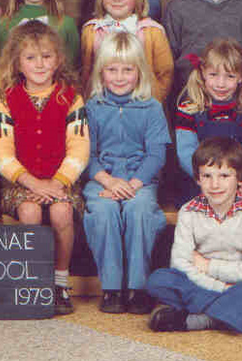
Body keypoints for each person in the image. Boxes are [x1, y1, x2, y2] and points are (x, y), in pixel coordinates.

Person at [0, 21, 90, 315]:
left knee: (60, 211)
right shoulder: (6, 99)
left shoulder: (70, 97)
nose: (39, 64)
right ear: (18, 63)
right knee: (31, 212)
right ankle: (31, 281)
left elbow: (80, 147)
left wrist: (58, 182)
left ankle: (60, 282)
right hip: (20, 184)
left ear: (58, 59)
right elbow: (1, 153)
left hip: (62, 183)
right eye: (30, 58)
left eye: (46, 56)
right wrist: (32, 183)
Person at [145, 138, 242, 335]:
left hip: (239, 284)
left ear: (240, 179)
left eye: (225, 175)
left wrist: (209, 266)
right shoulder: (189, 211)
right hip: (204, 284)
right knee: (158, 280)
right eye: (207, 176)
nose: (215, 184)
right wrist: (223, 289)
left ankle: (201, 320)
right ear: (198, 179)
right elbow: (180, 264)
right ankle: (236, 314)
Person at [82, 32, 169, 315]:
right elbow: (87, 155)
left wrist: (132, 184)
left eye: (128, 70)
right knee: (104, 211)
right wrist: (108, 181)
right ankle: (111, 289)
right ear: (101, 72)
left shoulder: (152, 108)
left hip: (139, 180)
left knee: (140, 209)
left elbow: (156, 154)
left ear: (139, 72)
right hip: (102, 180)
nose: (119, 77)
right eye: (112, 69)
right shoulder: (92, 108)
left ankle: (137, 287)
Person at [171, 38, 242, 207]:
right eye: (213, 75)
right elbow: (186, 153)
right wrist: (208, 182)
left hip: (237, 183)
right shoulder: (189, 109)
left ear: (241, 77)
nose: (221, 84)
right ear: (203, 72)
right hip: (198, 182)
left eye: (230, 76)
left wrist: (235, 183)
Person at [79, 0, 174, 103]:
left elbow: (165, 74)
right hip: (102, 108)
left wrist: (152, 102)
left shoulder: (152, 31)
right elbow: (86, 75)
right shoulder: (91, 31)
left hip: (142, 109)